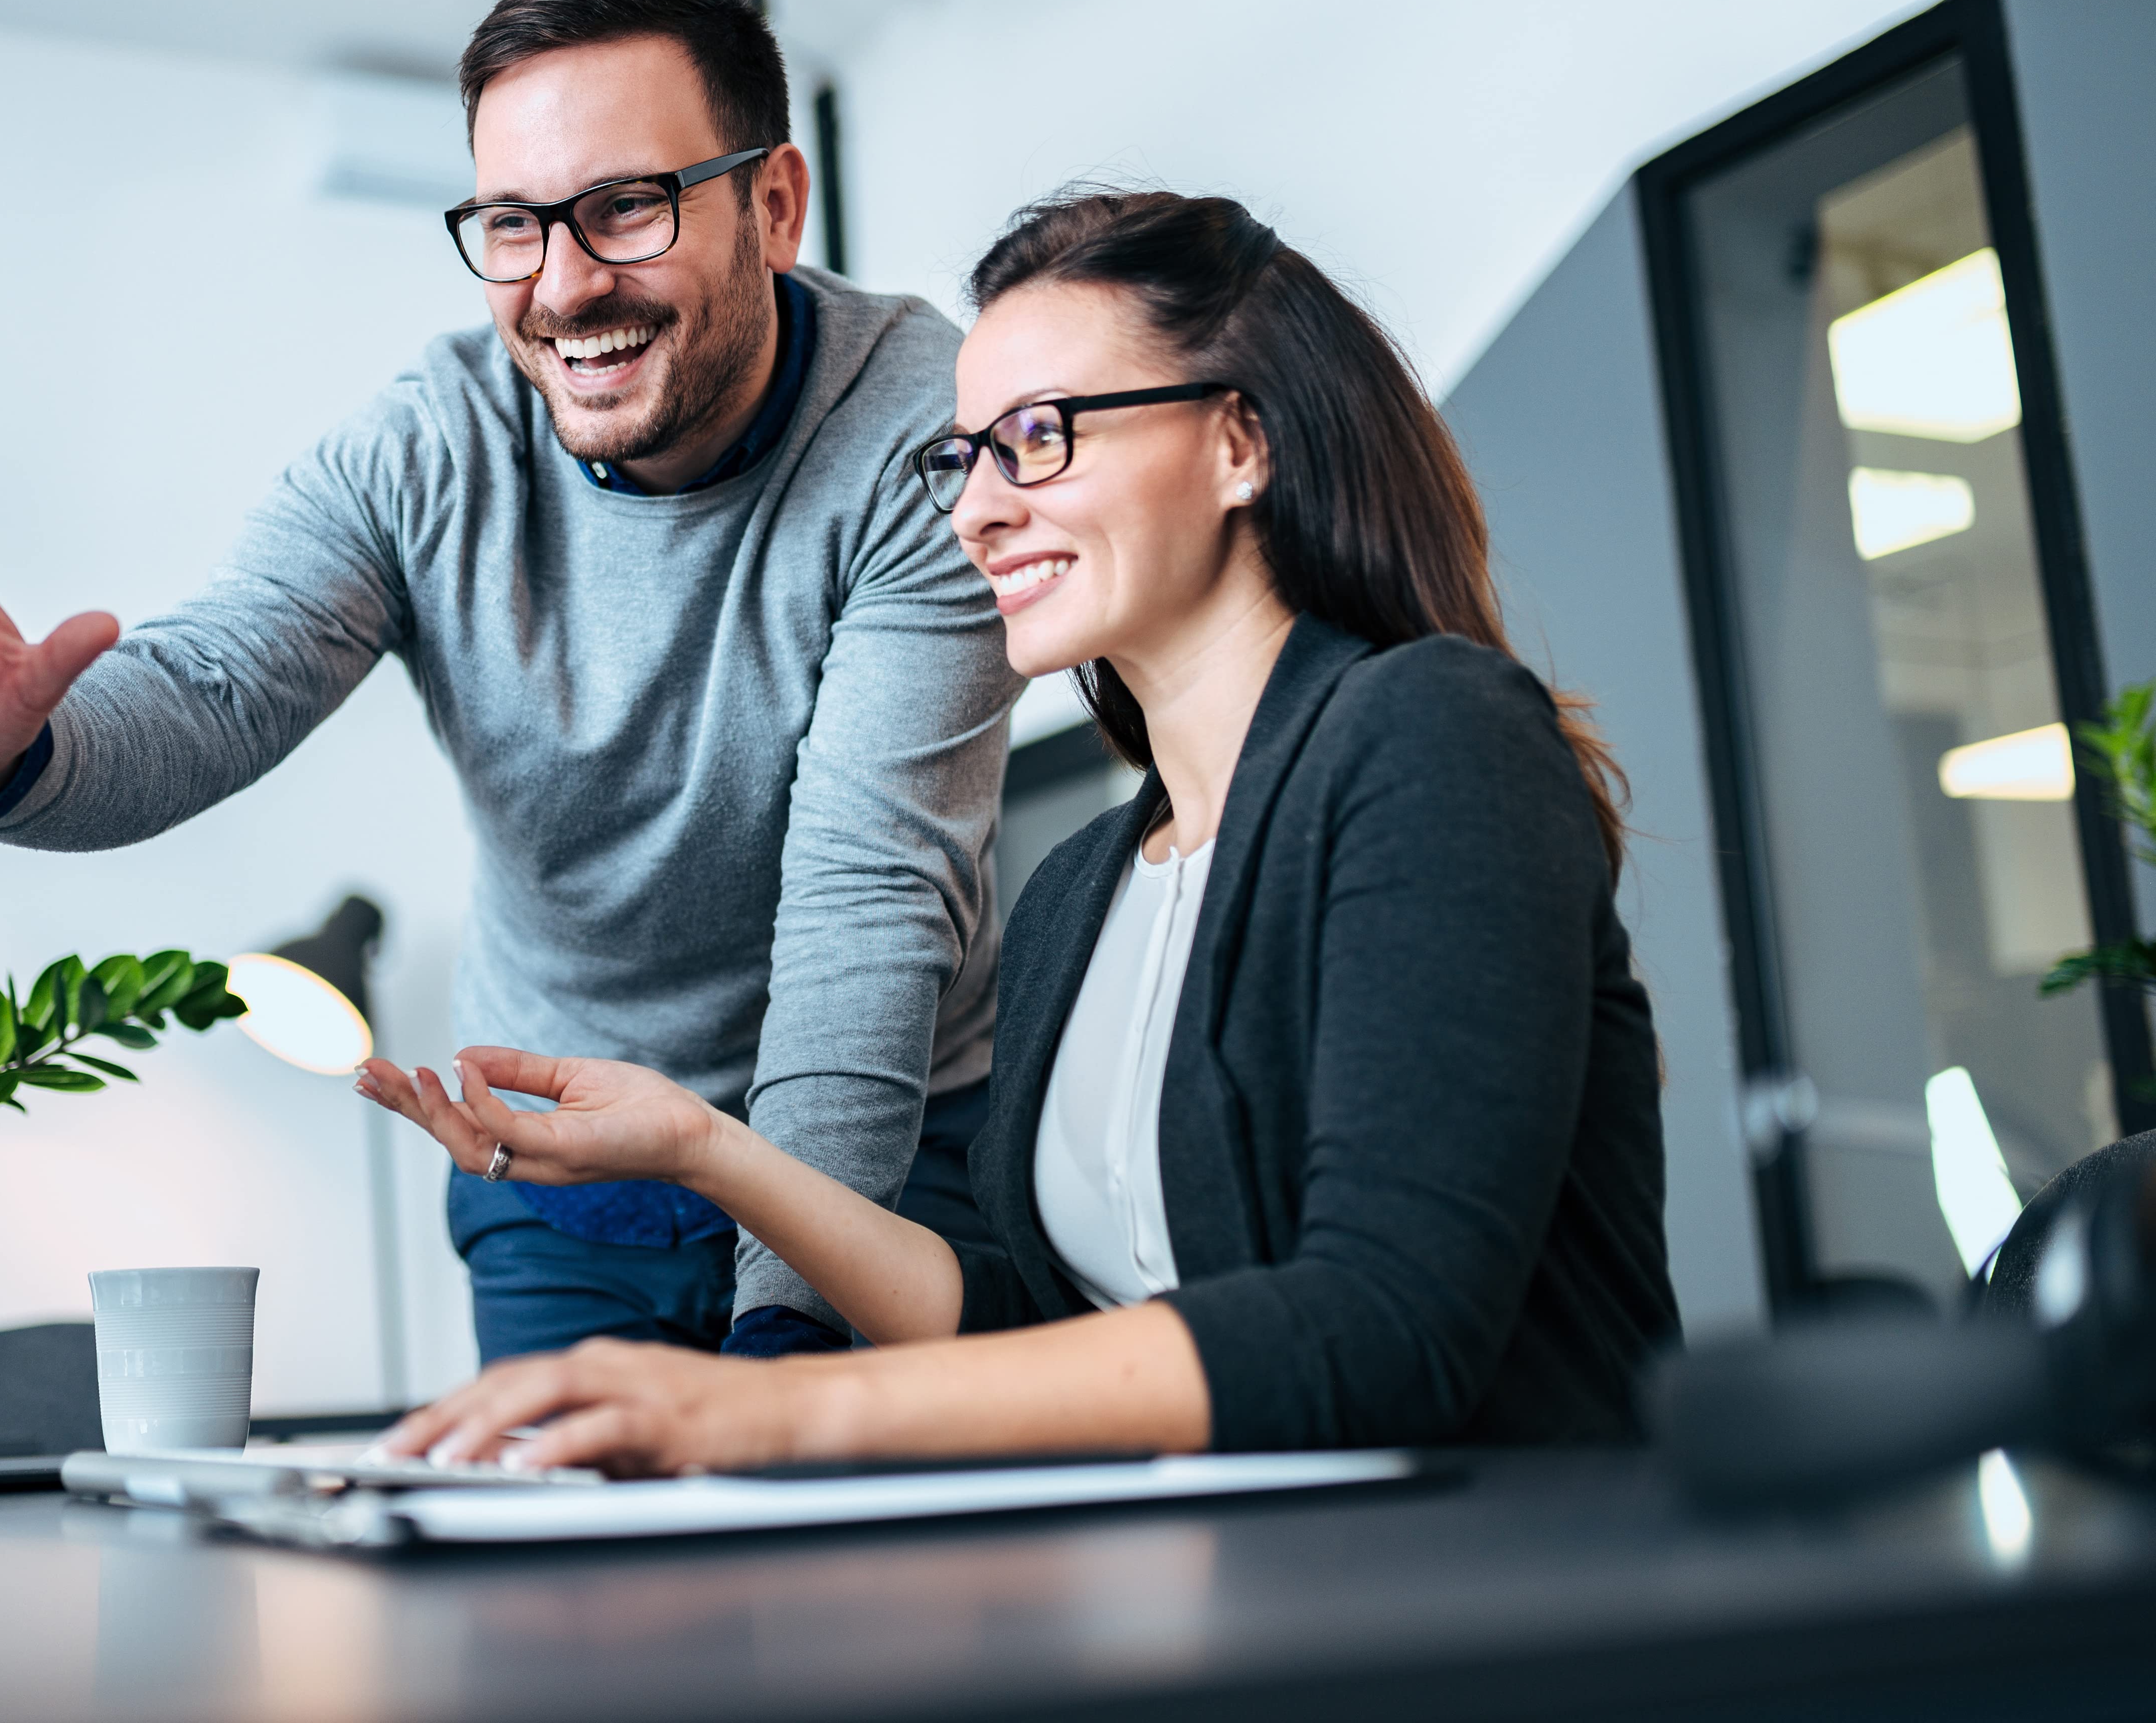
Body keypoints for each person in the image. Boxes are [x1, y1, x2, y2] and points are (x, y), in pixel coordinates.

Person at [0, 0, 1020, 1363]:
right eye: (514, 225)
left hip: (881, 1149)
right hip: (556, 1167)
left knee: (861, 1557)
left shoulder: (929, 438)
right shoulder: (428, 450)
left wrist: (789, 1363)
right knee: (572, 1577)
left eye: (627, 209)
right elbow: (216, 686)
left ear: (774, 205)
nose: (565, 286)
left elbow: (869, 911)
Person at [357, 190, 1680, 1472]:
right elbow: (1037, 1329)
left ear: (1241, 441)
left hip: (1498, 1613)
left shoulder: (1428, 738)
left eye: (1039, 436)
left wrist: (774, 1412)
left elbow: (1384, 1326)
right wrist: (706, 1152)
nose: (975, 509)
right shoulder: (1080, 895)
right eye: (963, 455)